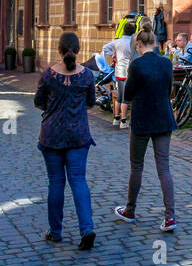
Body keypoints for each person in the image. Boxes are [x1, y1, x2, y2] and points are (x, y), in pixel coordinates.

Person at [33, 32, 97, 249]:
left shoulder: (49, 75)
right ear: (78, 50)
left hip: (52, 135)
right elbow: (91, 102)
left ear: (59, 50)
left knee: (56, 182)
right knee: (78, 180)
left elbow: (38, 101)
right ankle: (86, 228)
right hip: (78, 134)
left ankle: (56, 231)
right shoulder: (87, 75)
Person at [114, 27, 178, 232]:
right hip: (162, 118)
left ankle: (130, 210)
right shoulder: (166, 63)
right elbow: (169, 90)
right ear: (155, 43)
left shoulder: (137, 65)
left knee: (137, 166)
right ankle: (170, 217)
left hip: (142, 120)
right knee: (164, 168)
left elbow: (129, 94)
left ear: (139, 44)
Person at [112, 21, 136, 128]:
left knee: (119, 95)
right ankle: (123, 121)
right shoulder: (132, 42)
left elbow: (112, 54)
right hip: (127, 71)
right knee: (125, 97)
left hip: (118, 70)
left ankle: (116, 118)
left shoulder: (117, 41)